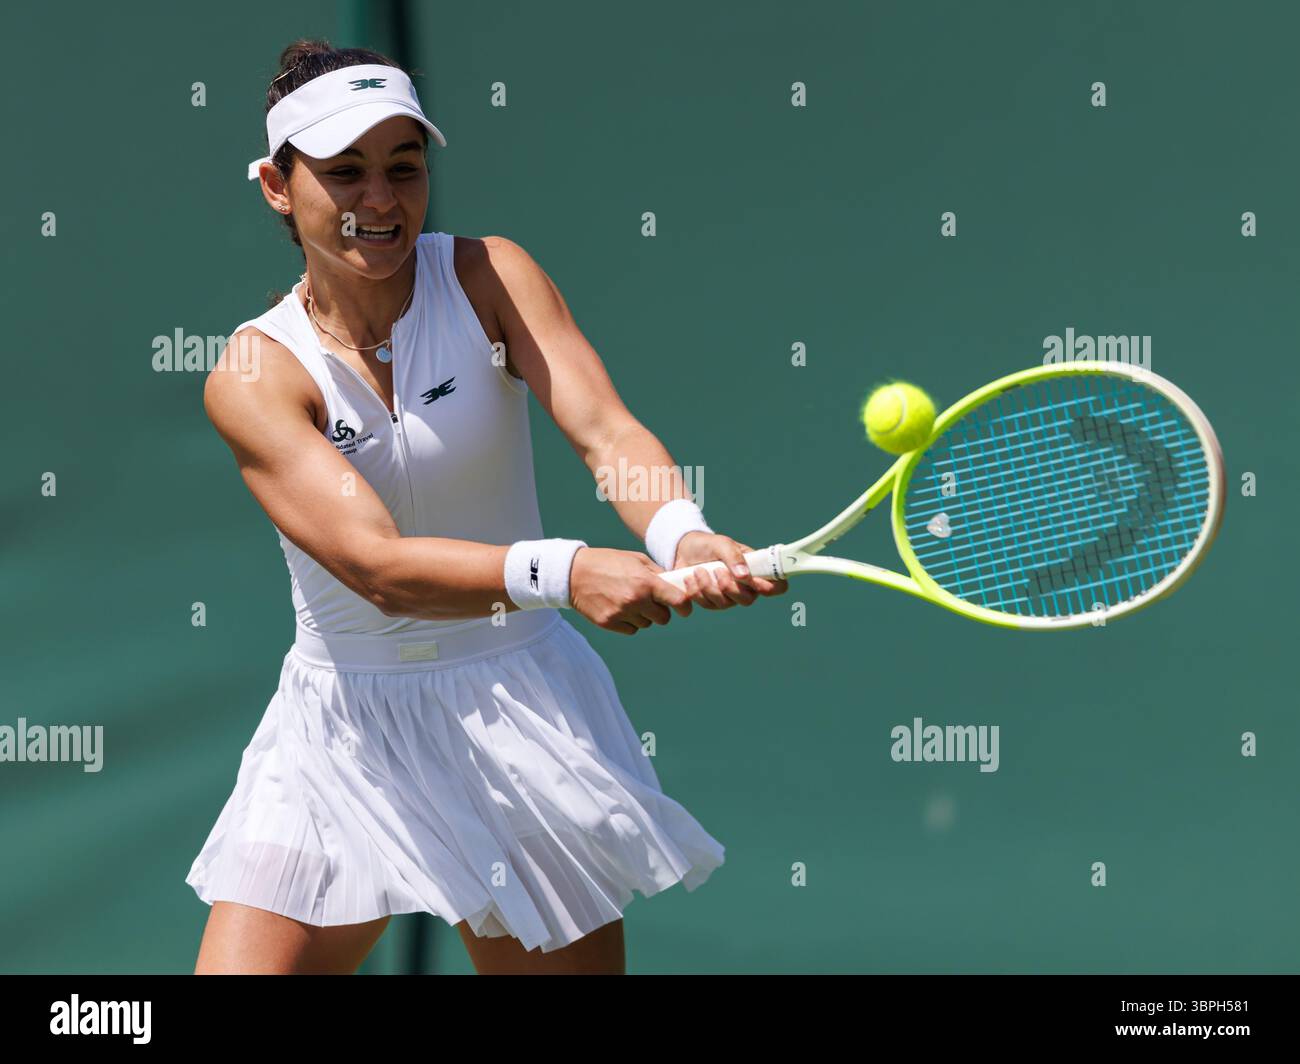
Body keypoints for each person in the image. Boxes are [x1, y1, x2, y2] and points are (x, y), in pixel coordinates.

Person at [186, 39, 787, 975]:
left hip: (515, 709)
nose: (380, 200)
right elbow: (379, 570)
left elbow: (606, 433)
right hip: (341, 730)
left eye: (404, 167)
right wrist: (570, 570)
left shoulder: (490, 276)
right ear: (276, 184)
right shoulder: (253, 374)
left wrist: (683, 531)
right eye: (345, 172)